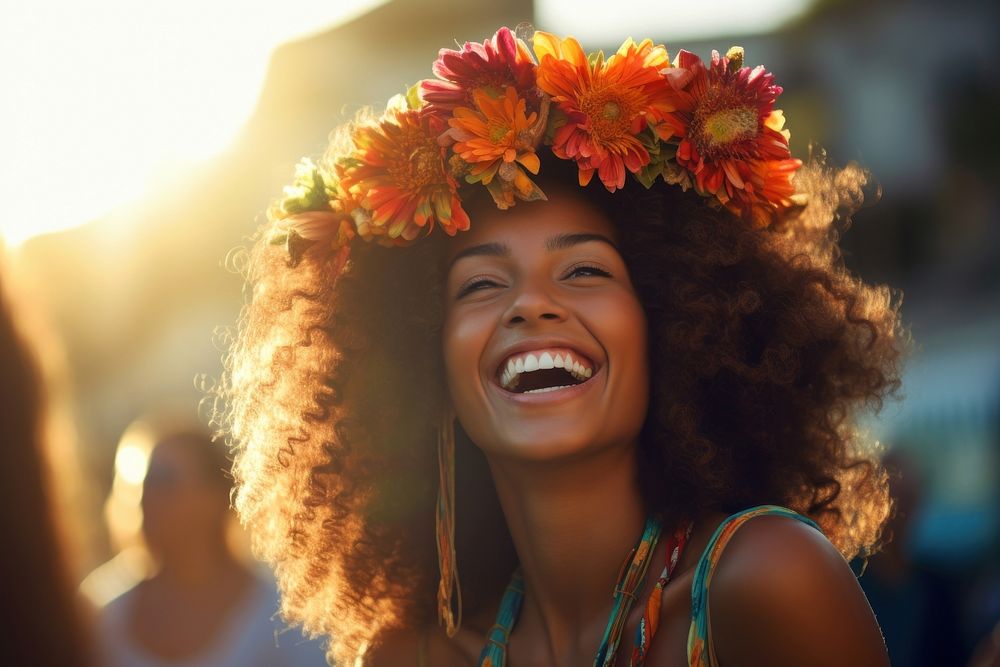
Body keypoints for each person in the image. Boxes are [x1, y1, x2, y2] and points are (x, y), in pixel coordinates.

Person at [216, 26, 904, 666]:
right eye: (482, 283)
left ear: (672, 329)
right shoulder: (409, 655)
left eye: (584, 270)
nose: (532, 303)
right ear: (424, 365)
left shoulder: (763, 580)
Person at [95, 424, 330, 667]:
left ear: (217, 496)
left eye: (163, 479)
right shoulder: (101, 613)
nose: (144, 496)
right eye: (135, 483)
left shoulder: (283, 614)